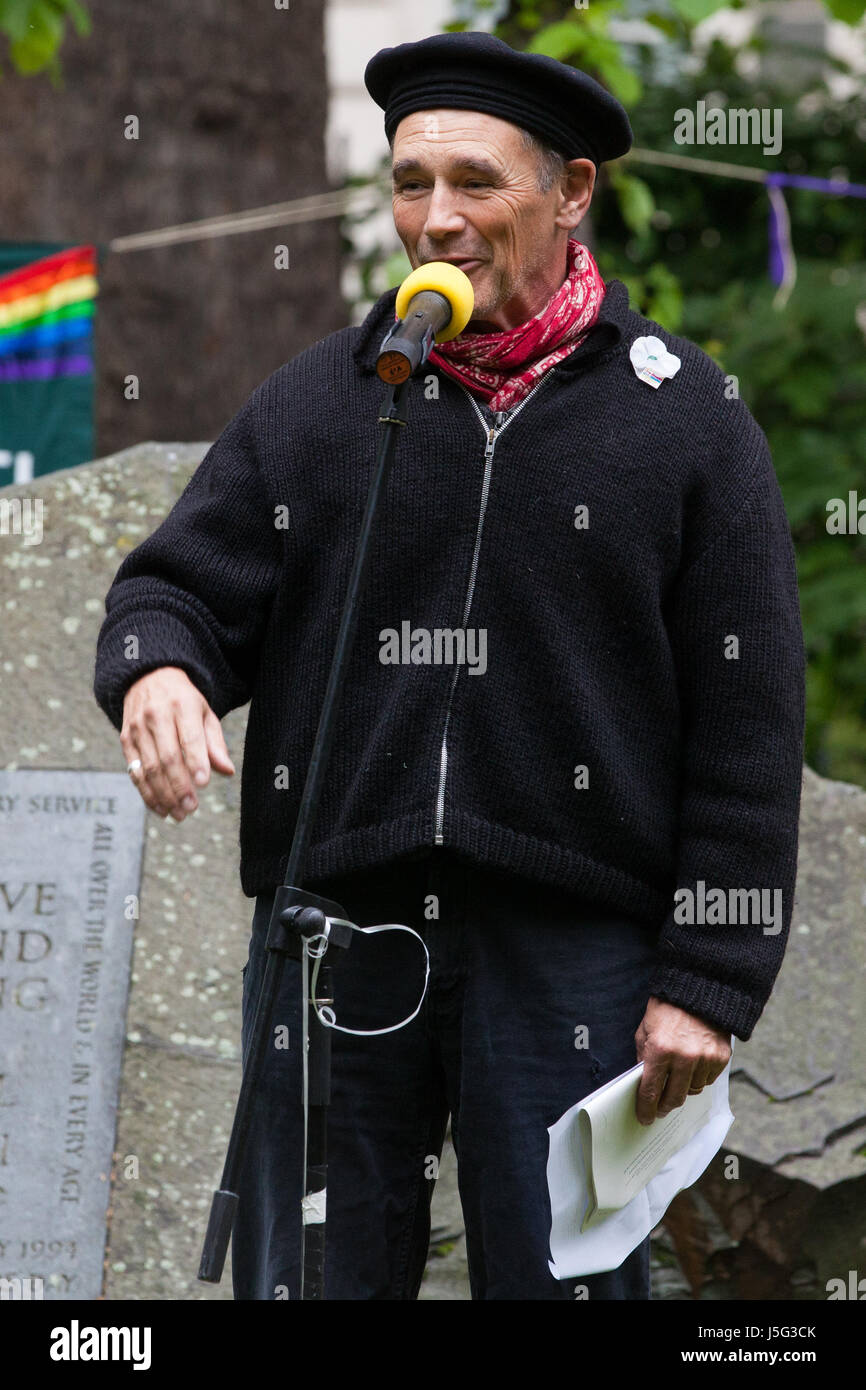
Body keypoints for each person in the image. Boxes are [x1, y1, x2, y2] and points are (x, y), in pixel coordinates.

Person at [93, 31, 806, 1300]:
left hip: (573, 947)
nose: (437, 220)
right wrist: (159, 672)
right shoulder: (323, 400)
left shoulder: (685, 420)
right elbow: (172, 590)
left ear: (571, 192)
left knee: (563, 1289)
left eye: (477, 181)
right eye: (410, 182)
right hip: (336, 933)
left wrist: (708, 976)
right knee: (309, 1281)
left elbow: (745, 727)